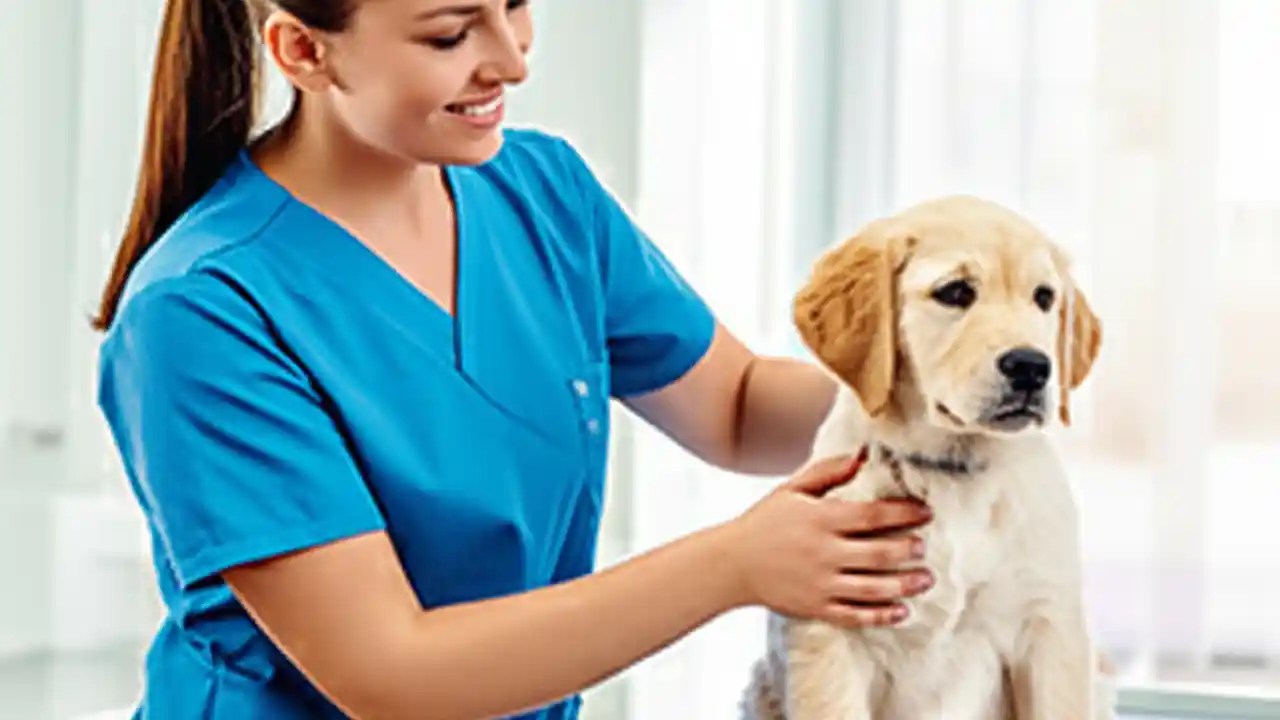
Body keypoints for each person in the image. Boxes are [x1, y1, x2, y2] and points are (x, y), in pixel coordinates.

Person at [92, 1, 935, 718]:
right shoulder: (202, 309)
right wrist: (737, 564)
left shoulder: (543, 192)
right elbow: (392, 677)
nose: (510, 60)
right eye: (451, 34)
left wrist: (937, 394)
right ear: (304, 51)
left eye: (516, 4)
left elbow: (739, 407)